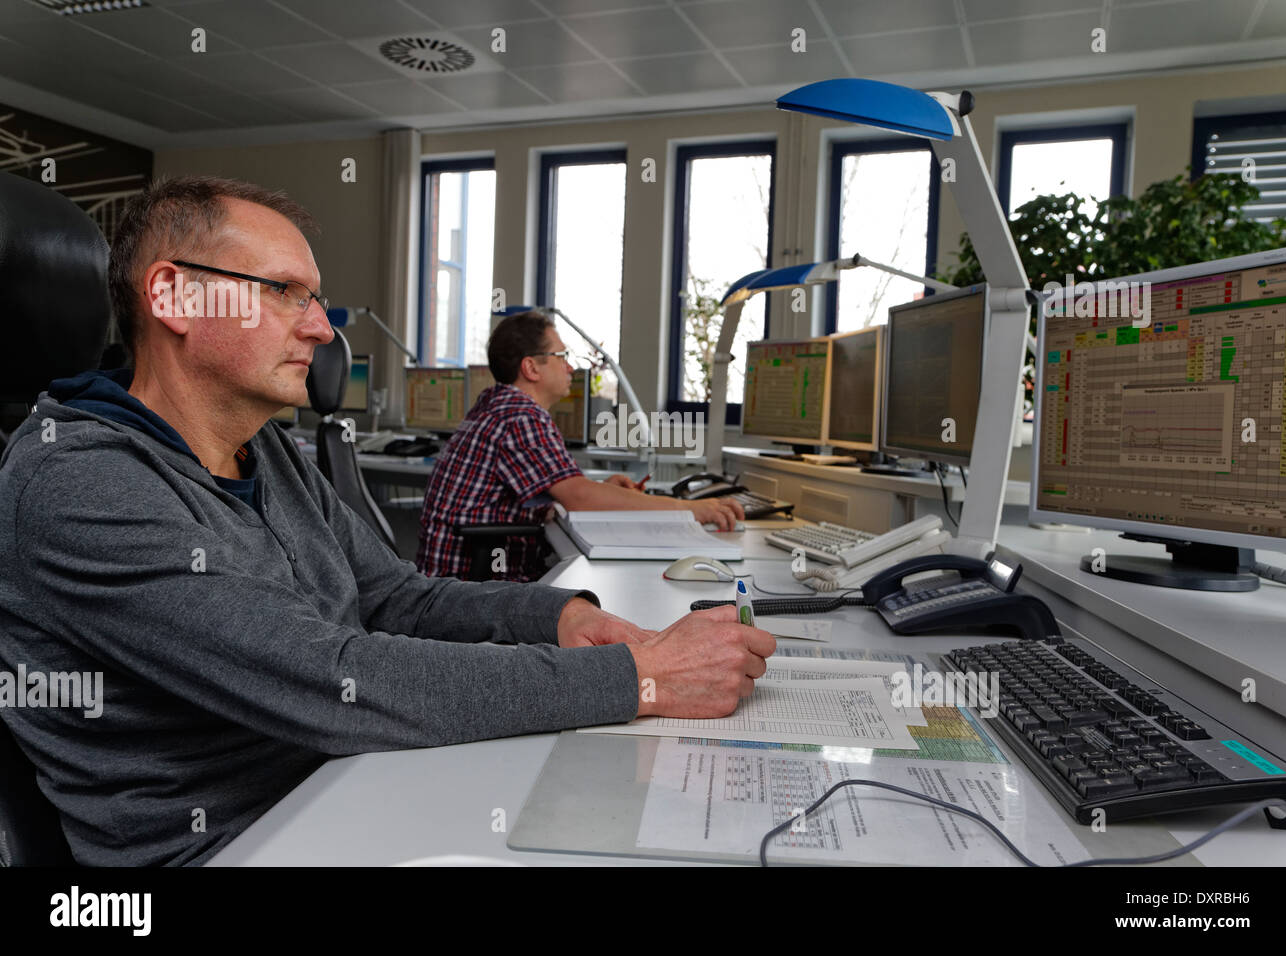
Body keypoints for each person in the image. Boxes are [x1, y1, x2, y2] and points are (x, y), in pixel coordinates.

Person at [0, 176, 774, 866]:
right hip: (239, 842)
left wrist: (561, 617)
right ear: (172, 297)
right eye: (284, 293)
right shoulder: (76, 483)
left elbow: (401, 601)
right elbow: (335, 678)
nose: (322, 330)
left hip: (349, 779)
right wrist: (639, 678)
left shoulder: (265, 449)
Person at [417, 311, 743, 581]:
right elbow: (579, 497)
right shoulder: (519, 415)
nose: (570, 367)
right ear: (531, 368)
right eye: (561, 357)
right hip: (470, 589)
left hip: (454, 579)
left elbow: (566, 491)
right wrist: (690, 511)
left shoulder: (496, 405)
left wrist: (600, 489)